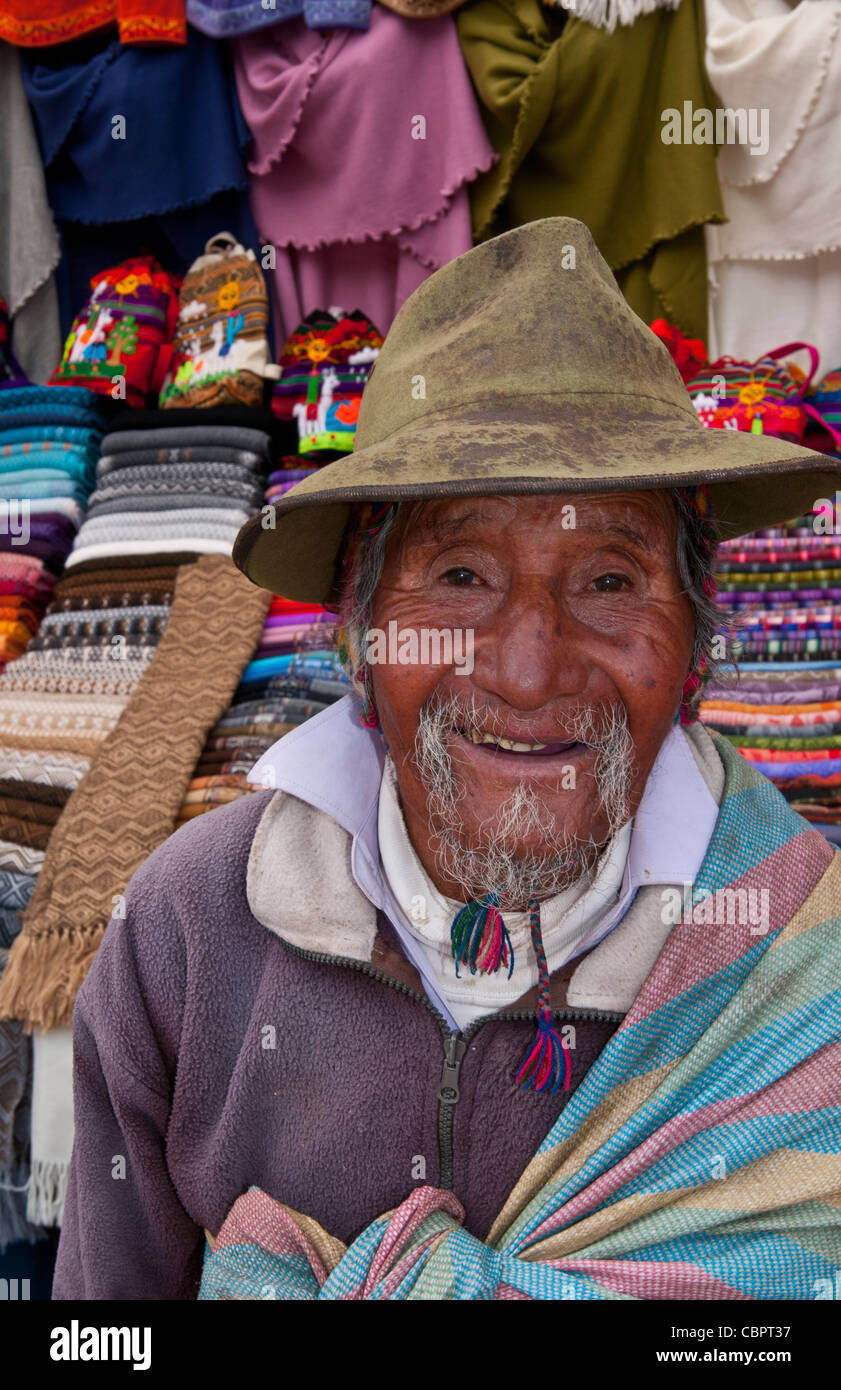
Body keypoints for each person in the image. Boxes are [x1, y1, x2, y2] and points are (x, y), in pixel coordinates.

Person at [53, 218, 841, 1300]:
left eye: (609, 582)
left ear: (694, 647)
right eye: (461, 575)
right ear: (360, 632)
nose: (526, 671)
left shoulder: (802, 962)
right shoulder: (185, 931)